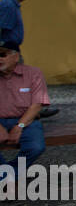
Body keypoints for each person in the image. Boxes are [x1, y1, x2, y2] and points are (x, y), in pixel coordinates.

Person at [0, 0, 58, 119]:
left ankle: (31, 109)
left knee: (21, 78)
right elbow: (2, 27)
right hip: (8, 48)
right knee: (19, 77)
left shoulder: (13, 5)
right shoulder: (8, 5)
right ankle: (30, 111)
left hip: (11, 47)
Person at [0, 41, 49, 181]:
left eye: (3, 54)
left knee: (36, 147)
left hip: (26, 120)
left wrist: (19, 126)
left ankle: (7, 177)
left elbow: (37, 104)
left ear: (16, 57)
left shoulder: (33, 73)